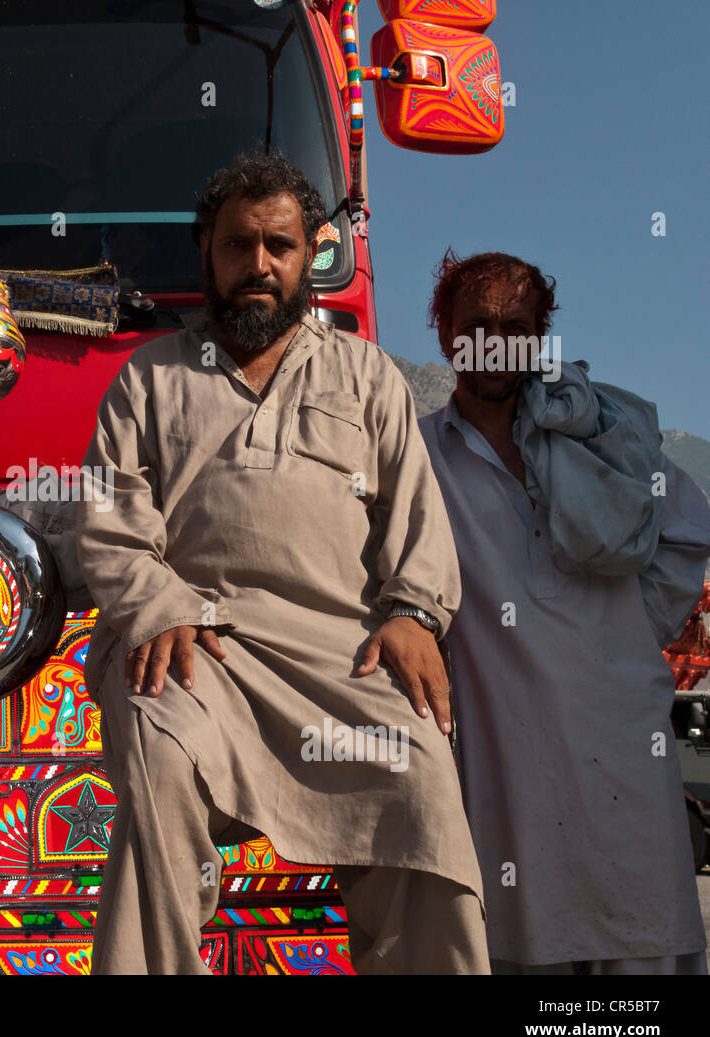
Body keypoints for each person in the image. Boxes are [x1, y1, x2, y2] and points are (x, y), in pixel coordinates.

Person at [76, 150, 488, 975]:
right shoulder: (148, 379)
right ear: (208, 254)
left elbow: (415, 515)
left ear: (310, 257)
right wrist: (160, 606)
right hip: (202, 649)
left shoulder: (368, 375)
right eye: (238, 245)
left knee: (423, 789)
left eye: (279, 246)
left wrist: (412, 613)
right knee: (162, 761)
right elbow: (108, 521)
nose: (258, 265)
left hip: (341, 653)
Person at [417, 250, 710, 974]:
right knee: (521, 934)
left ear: (540, 335)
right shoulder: (417, 453)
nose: (494, 341)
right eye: (475, 323)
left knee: (637, 941)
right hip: (503, 744)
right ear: (445, 332)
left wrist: (632, 631)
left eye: (515, 326)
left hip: (620, 731)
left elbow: (688, 528)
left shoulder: (601, 434)